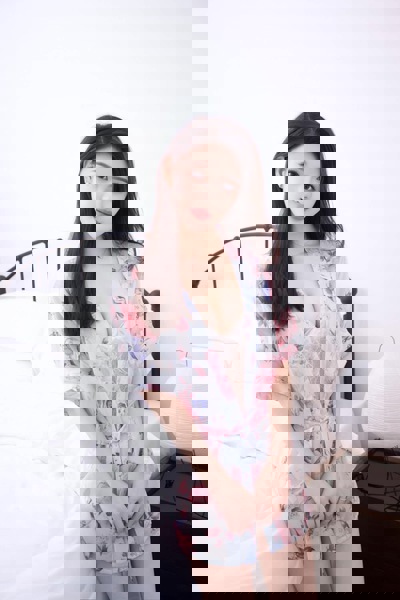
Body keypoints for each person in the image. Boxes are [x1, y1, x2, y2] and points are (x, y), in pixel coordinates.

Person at [46, 115, 159, 599]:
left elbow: (149, 346)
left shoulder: (138, 259)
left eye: (113, 179)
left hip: (133, 422)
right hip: (92, 428)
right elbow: (66, 361)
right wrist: (90, 432)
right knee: (101, 542)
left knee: (136, 542)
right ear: (82, 183)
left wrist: (143, 419)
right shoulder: (68, 261)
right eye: (93, 177)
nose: (102, 189)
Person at [257, 112, 361, 592]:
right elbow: (261, 370)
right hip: (289, 443)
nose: (304, 187)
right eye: (296, 172)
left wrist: (342, 437)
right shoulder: (266, 258)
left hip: (329, 439)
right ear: (281, 174)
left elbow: (346, 355)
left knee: (335, 567)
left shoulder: (332, 254)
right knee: (298, 570)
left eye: (315, 178)